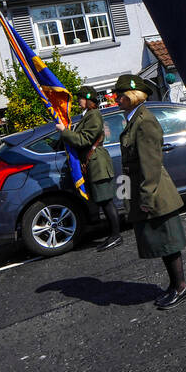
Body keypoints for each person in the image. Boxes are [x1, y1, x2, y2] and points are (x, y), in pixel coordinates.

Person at [113, 74, 186, 308]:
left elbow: (151, 166)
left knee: (168, 242)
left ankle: (181, 287)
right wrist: (125, 196)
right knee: (161, 243)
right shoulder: (133, 120)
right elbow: (128, 166)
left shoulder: (144, 121)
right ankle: (174, 285)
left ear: (132, 96)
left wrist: (145, 199)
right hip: (142, 191)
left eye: (120, 95)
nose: (116, 98)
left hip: (155, 194)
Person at [57, 86, 121, 252]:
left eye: (81, 98)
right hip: (92, 163)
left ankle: (116, 235)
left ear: (89, 100)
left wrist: (65, 132)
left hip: (97, 162)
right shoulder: (87, 116)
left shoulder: (94, 116)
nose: (78, 100)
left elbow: (84, 140)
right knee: (102, 200)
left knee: (106, 200)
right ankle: (113, 234)